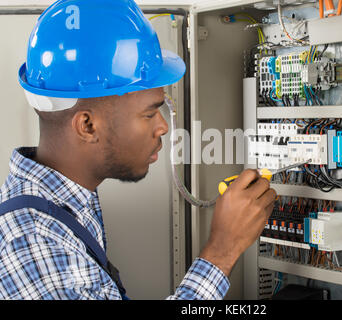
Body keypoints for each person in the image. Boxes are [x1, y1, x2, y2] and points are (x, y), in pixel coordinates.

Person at [0, 0, 276, 300]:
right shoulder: (35, 243)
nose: (163, 127)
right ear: (88, 125)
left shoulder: (62, 202)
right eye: (148, 114)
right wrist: (223, 249)